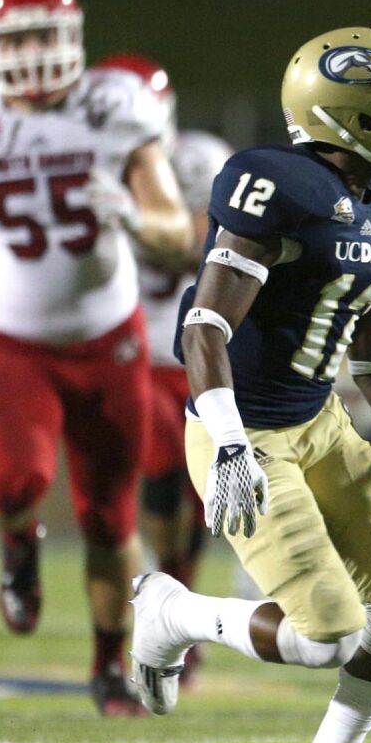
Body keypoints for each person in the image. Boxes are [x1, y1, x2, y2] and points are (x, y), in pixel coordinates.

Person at [126, 27, 371, 743]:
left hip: (321, 424)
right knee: (325, 633)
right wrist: (225, 440)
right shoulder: (273, 187)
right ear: (344, 114)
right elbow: (203, 329)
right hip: (245, 429)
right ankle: (173, 614)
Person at [0, 0, 192, 715]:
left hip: (109, 341)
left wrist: (135, 220)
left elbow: (176, 232)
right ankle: (19, 544)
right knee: (12, 484)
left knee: (111, 514)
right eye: (19, 38)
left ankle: (108, 667)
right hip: (10, 342)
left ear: (73, 40)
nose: (34, 52)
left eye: (46, 35)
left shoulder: (115, 106)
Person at [98, 53, 236, 688]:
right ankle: (172, 607)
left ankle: (180, 609)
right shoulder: (85, 159)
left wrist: (136, 217)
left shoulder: (198, 159)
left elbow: (210, 241)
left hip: (197, 342)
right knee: (157, 485)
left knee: (201, 496)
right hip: (134, 348)